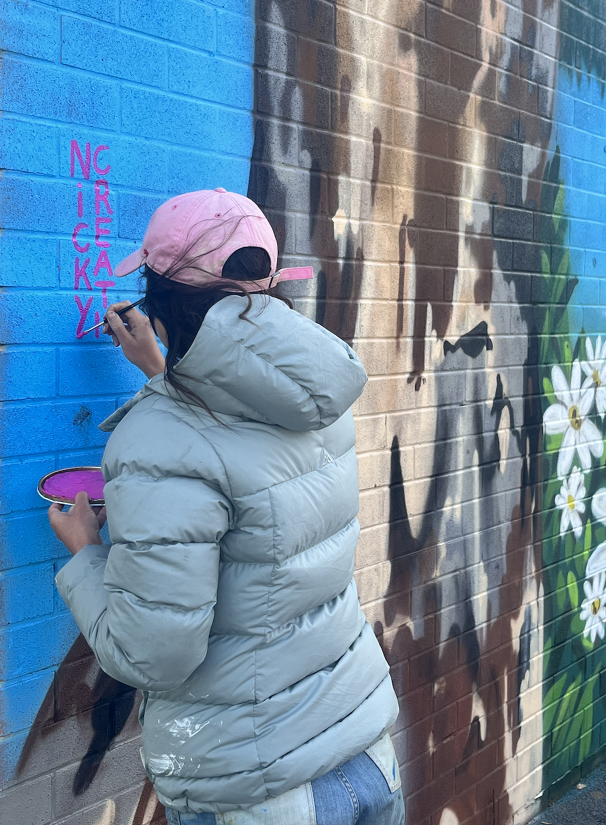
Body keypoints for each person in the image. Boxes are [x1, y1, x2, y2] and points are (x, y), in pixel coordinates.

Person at [48, 189, 404, 824]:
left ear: (160, 298)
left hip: (262, 792)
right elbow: (243, 457)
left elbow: (155, 653)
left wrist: (84, 556)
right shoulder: (316, 395)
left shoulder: (159, 440)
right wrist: (162, 372)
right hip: (365, 757)